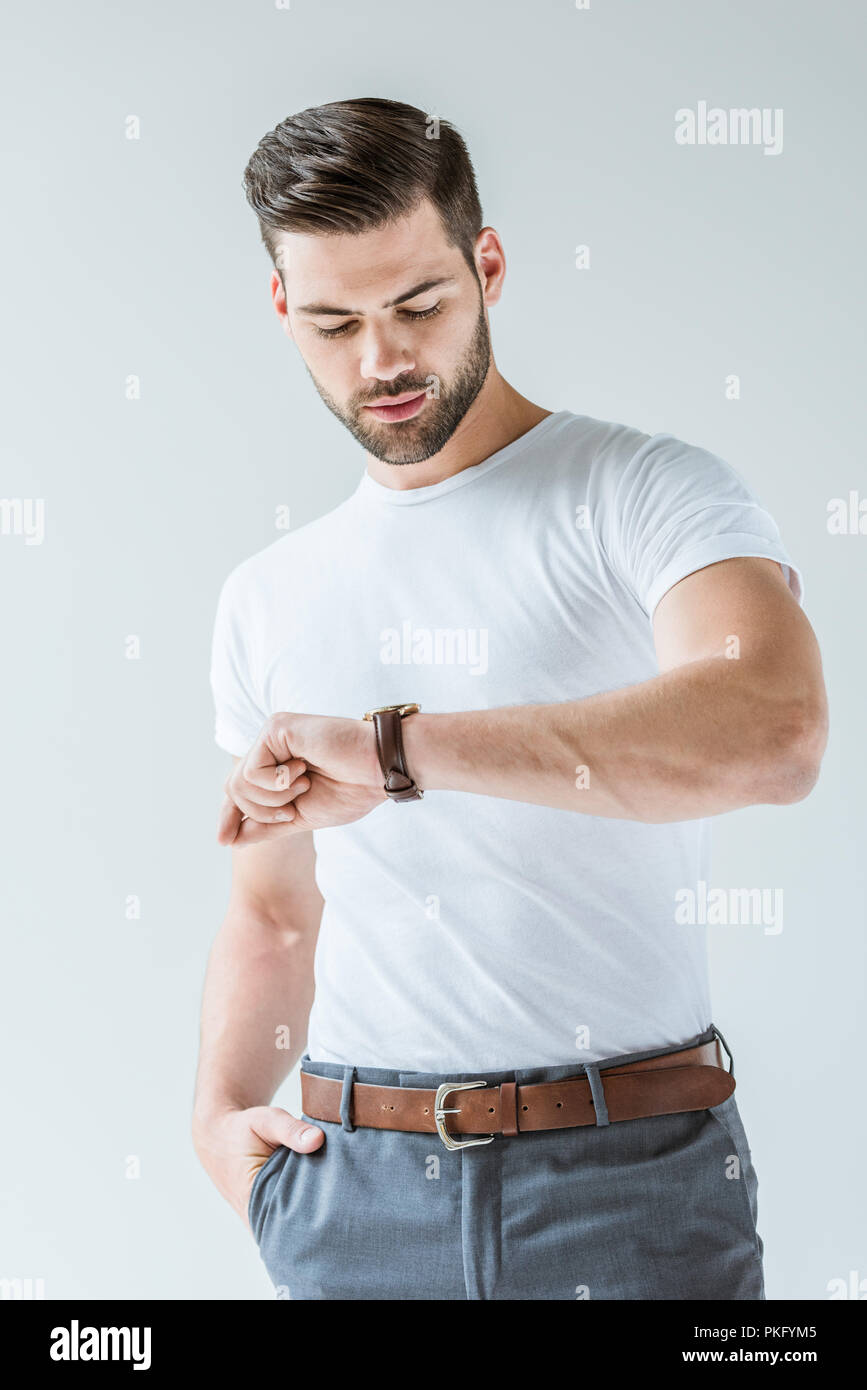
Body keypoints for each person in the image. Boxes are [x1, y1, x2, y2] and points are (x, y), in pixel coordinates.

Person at [191, 97, 827, 1300]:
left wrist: (398, 752)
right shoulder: (266, 594)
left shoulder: (649, 493)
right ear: (283, 310)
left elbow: (773, 729)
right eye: (334, 322)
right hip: (350, 1190)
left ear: (488, 263)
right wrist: (220, 1114)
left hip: (631, 1184)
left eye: (418, 305)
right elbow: (273, 916)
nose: (381, 359)